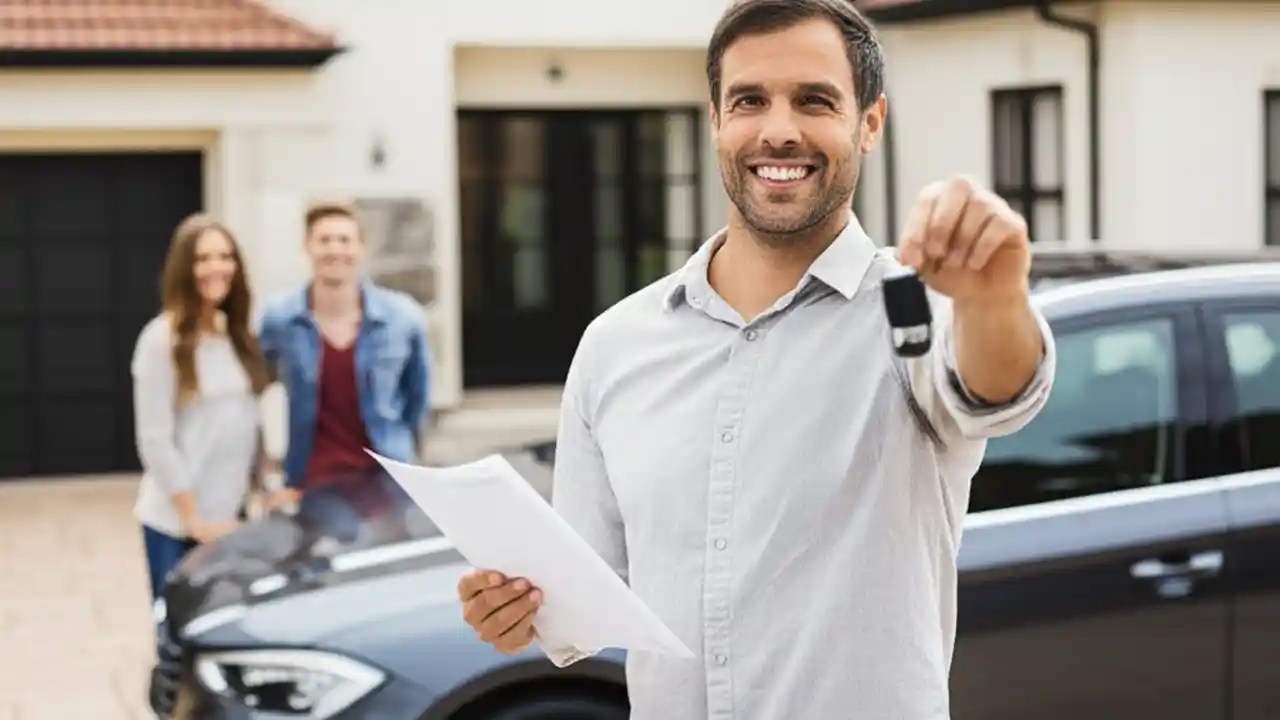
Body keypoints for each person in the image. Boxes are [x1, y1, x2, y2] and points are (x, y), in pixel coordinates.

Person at [456, 1, 1058, 718]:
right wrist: (514, 608)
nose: (778, 129)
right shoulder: (616, 344)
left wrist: (996, 297)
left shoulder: (918, 310)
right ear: (715, 120)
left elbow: (999, 391)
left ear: (869, 123)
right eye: (749, 100)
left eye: (814, 100)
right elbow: (580, 596)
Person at [131, 214, 271, 602]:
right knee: (177, 644)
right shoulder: (161, 340)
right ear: (184, 268)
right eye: (203, 258)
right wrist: (194, 521)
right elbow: (154, 441)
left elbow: (248, 425)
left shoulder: (236, 334)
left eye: (225, 256)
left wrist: (266, 489)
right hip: (176, 526)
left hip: (229, 520)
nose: (216, 267)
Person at [257, 200, 432, 509]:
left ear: (361, 249)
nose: (334, 249)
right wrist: (271, 479)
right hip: (313, 485)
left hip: (388, 482)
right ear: (307, 246)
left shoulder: (403, 318)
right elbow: (257, 395)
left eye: (344, 240)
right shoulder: (279, 320)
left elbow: (417, 399)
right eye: (324, 240)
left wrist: (410, 462)